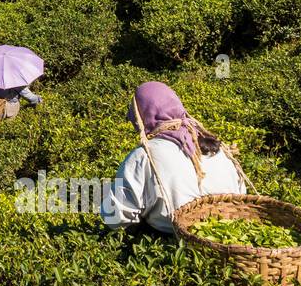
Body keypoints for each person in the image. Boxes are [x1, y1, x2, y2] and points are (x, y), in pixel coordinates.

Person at [102, 81, 246, 234]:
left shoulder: (144, 155)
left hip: (172, 238)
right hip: (231, 229)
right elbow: (241, 193)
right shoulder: (216, 146)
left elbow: (117, 216)